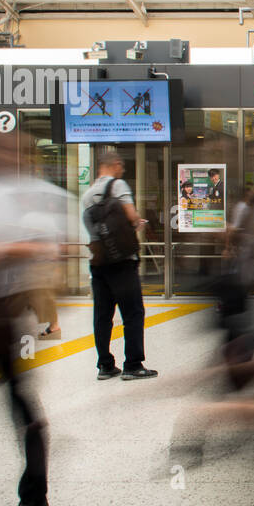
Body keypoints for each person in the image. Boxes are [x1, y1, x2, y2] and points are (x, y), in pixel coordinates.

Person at [0, 178, 66, 506]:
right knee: (16, 401)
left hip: (16, 314)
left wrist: (4, 250)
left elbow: (48, 249)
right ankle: (34, 495)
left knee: (24, 403)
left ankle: (34, 498)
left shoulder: (34, 205)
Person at [81, 151, 157, 380]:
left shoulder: (88, 194)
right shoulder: (118, 185)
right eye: (121, 167)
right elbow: (131, 216)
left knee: (102, 314)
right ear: (115, 165)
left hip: (99, 261)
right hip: (123, 262)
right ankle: (133, 365)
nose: (122, 171)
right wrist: (137, 223)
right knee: (133, 312)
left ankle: (105, 365)